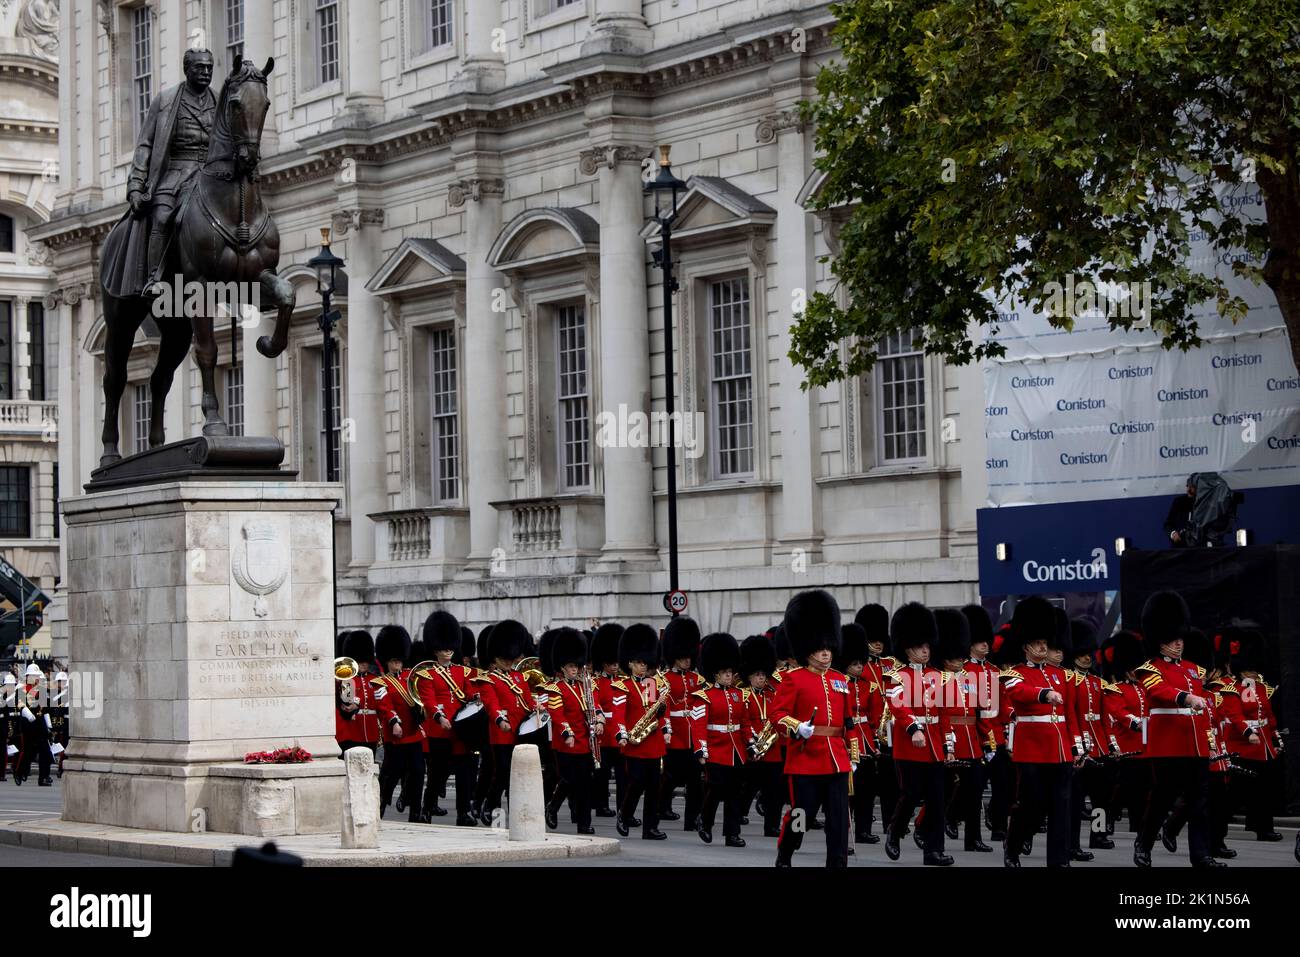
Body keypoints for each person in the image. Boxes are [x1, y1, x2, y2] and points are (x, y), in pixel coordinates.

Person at [1132, 591, 1225, 868]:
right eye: (1173, 639)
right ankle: (1144, 843)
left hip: (1194, 742)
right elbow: (1159, 691)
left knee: (1199, 802)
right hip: (1167, 742)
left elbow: (1202, 708)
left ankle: (1201, 856)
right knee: (1162, 798)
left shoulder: (1192, 670)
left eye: (1181, 638)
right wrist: (1186, 698)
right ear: (1160, 641)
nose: (1179, 643)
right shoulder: (1149, 669)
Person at [114, 48, 218, 295]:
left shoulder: (220, 100)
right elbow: (145, 146)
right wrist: (136, 186)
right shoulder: (166, 101)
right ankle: (155, 277)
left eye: (209, 68)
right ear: (187, 70)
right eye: (199, 68)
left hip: (212, 174)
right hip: (176, 173)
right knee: (162, 217)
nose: (205, 72)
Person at [773, 589, 856, 868]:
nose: (826, 653)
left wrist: (852, 755)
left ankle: (837, 864)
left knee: (838, 819)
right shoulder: (793, 679)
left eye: (829, 647)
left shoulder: (840, 679)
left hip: (836, 760)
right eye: (820, 648)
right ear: (807, 650)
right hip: (805, 760)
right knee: (801, 816)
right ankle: (786, 851)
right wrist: (798, 728)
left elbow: (848, 721)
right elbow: (778, 715)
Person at [1001, 597, 1081, 868]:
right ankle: (1012, 845)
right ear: (1026, 646)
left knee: (1061, 807)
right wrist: (1044, 693)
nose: (1043, 646)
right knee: (1031, 805)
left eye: (1045, 642)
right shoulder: (1015, 673)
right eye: (1038, 643)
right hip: (1032, 750)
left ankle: (1059, 861)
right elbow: (1019, 693)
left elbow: (1070, 714)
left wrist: (1076, 746)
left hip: (1059, 751)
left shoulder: (1061, 676)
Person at [883, 603, 954, 866]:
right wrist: (914, 728)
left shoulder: (938, 676)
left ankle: (933, 851)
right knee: (911, 794)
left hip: (934, 744)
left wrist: (948, 743)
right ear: (907, 648)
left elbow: (944, 713)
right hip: (909, 744)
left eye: (927, 646)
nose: (925, 651)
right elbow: (898, 705)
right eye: (919, 646)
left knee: (936, 800)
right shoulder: (896, 676)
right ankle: (895, 830)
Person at [1216, 627, 1284, 843]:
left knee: (1264, 790)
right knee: (1235, 793)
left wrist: (1275, 738)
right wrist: (1249, 732)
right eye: (1249, 669)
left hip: (1262, 746)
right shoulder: (1230, 687)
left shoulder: (1261, 686)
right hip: (1242, 746)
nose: (1253, 673)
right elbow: (1234, 715)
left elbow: (1268, 715)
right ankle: (1217, 827)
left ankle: (1263, 828)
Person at [937, 608, 993, 853]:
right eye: (955, 658)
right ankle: (925, 826)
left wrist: (988, 741)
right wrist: (947, 743)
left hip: (971, 741)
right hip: (951, 741)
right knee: (942, 790)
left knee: (975, 789)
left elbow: (979, 715)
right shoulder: (936, 681)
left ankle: (973, 839)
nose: (960, 662)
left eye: (961, 658)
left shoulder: (970, 679)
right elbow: (942, 716)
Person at [415, 610, 476, 825]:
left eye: (450, 647)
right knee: (437, 774)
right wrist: (440, 717)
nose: (448, 651)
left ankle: (463, 812)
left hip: (460, 729)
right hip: (440, 729)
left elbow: (468, 694)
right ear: (435, 649)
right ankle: (427, 807)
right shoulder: (427, 675)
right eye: (443, 647)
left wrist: (476, 697)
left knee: (464, 773)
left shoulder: (462, 672)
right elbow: (429, 701)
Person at [472, 620, 535, 826]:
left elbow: (527, 701)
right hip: (500, 732)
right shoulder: (488, 679)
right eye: (503, 658)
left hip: (520, 731)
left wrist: (538, 708)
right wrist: (500, 719)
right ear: (495, 658)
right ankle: (489, 806)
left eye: (509, 657)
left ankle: (513, 811)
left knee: (515, 774)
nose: (508, 661)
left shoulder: (519, 678)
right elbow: (491, 704)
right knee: (502, 772)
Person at [690, 633, 748, 847]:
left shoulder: (738, 694)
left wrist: (750, 742)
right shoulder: (703, 696)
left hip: (735, 750)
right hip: (715, 749)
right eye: (724, 673)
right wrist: (701, 750)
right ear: (715, 674)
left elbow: (744, 722)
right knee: (715, 789)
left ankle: (732, 833)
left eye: (730, 672)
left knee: (734, 793)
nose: (728, 676)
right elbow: (698, 725)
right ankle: (705, 821)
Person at [543, 628, 603, 835]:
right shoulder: (556, 688)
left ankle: (584, 824)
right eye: (570, 666)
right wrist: (567, 733)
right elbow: (557, 714)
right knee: (567, 781)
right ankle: (552, 807)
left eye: (576, 665)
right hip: (566, 742)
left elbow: (596, 706)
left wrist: (600, 721)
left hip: (585, 742)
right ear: (562, 667)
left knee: (585, 785)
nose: (575, 669)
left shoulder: (586, 686)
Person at [616, 623, 671, 840]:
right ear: (629, 663)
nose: (642, 666)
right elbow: (619, 713)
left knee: (654, 787)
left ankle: (650, 827)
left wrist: (664, 722)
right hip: (635, 742)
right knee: (636, 783)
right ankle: (624, 813)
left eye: (644, 663)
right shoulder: (622, 686)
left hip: (654, 741)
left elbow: (655, 710)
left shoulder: (650, 684)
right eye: (638, 663)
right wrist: (621, 734)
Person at [1068, 618, 1113, 860]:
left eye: (1089, 654)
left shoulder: (1098, 682)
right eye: (1082, 653)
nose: (1087, 658)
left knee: (1101, 796)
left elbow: (1104, 718)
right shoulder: (1068, 681)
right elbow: (1071, 716)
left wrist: (1111, 744)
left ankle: (1098, 834)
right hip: (1080, 747)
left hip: (1099, 746)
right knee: (1075, 800)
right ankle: (1072, 843)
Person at [372, 625, 425, 822]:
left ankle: (416, 813)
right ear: (387, 661)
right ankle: (381, 804)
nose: (398, 665)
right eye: (394, 661)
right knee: (391, 775)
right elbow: (384, 706)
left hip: (413, 732)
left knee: (419, 771)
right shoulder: (380, 682)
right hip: (395, 735)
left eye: (400, 661)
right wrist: (394, 721)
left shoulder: (410, 676)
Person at [855, 603, 898, 844]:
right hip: (868, 731)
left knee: (892, 782)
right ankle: (862, 827)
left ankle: (892, 825)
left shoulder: (890, 665)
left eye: (880, 638)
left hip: (890, 729)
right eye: (873, 638)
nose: (879, 643)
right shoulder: (860, 667)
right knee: (867, 785)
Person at [659, 616, 704, 831]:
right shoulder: (663, 679)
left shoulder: (697, 679)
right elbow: (663, 706)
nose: (687, 660)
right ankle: (661, 805)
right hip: (674, 734)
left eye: (689, 656)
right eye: (683, 656)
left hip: (692, 734)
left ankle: (692, 819)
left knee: (695, 779)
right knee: (671, 776)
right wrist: (666, 727)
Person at [739, 634, 784, 837]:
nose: (762, 678)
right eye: (757, 675)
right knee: (749, 785)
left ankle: (772, 825)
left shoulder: (772, 694)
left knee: (774, 790)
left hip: (772, 748)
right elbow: (744, 722)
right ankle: (739, 812)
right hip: (753, 747)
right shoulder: (744, 696)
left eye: (764, 674)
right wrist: (752, 741)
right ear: (749, 675)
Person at [588, 622, 628, 817]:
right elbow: (595, 704)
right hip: (603, 733)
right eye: (612, 663)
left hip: (619, 731)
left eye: (616, 662)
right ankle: (601, 805)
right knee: (602, 773)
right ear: (603, 662)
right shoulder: (595, 682)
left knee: (622, 774)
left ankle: (623, 807)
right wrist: (600, 719)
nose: (615, 666)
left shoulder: (622, 681)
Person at [336, 630, 382, 756]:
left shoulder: (374, 679)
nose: (363, 664)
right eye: (360, 661)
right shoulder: (346, 678)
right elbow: (345, 700)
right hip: (351, 730)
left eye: (366, 661)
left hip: (370, 730)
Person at [14, 664, 52, 786]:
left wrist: (49, 725)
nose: (36, 678)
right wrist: (28, 714)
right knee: (27, 752)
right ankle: (19, 772)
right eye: (34, 676)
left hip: (40, 725)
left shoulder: (40, 690)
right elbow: (20, 705)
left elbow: (45, 709)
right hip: (28, 725)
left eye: (37, 676)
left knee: (45, 751)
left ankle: (43, 778)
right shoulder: (21, 689)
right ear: (28, 676)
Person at [1163, 477, 1196, 547]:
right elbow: (1168, 524)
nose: (1188, 490)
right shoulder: (1179, 502)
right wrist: (1173, 533)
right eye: (1187, 486)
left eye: (1192, 487)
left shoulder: (1206, 504)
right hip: (1181, 545)